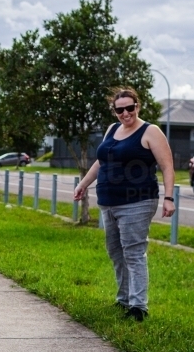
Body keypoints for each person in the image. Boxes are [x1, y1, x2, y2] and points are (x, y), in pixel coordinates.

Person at [73, 87, 175, 322]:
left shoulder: (151, 131)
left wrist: (169, 198)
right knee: (116, 251)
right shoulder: (112, 129)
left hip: (138, 201)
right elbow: (101, 161)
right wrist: (84, 184)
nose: (126, 113)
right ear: (115, 111)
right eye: (120, 109)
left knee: (134, 252)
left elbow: (167, 166)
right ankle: (124, 300)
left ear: (137, 106)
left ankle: (139, 307)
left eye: (130, 107)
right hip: (109, 202)